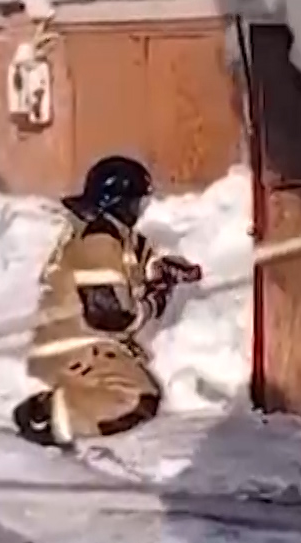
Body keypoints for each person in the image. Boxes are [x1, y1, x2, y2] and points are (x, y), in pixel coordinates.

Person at [12, 155, 201, 448]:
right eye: (137, 202)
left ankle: (73, 399)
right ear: (119, 202)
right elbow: (110, 314)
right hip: (75, 347)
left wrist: (164, 271)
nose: (140, 210)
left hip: (88, 347)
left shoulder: (114, 236)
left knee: (141, 394)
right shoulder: (99, 238)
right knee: (135, 399)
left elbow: (136, 269)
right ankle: (50, 414)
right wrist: (155, 298)